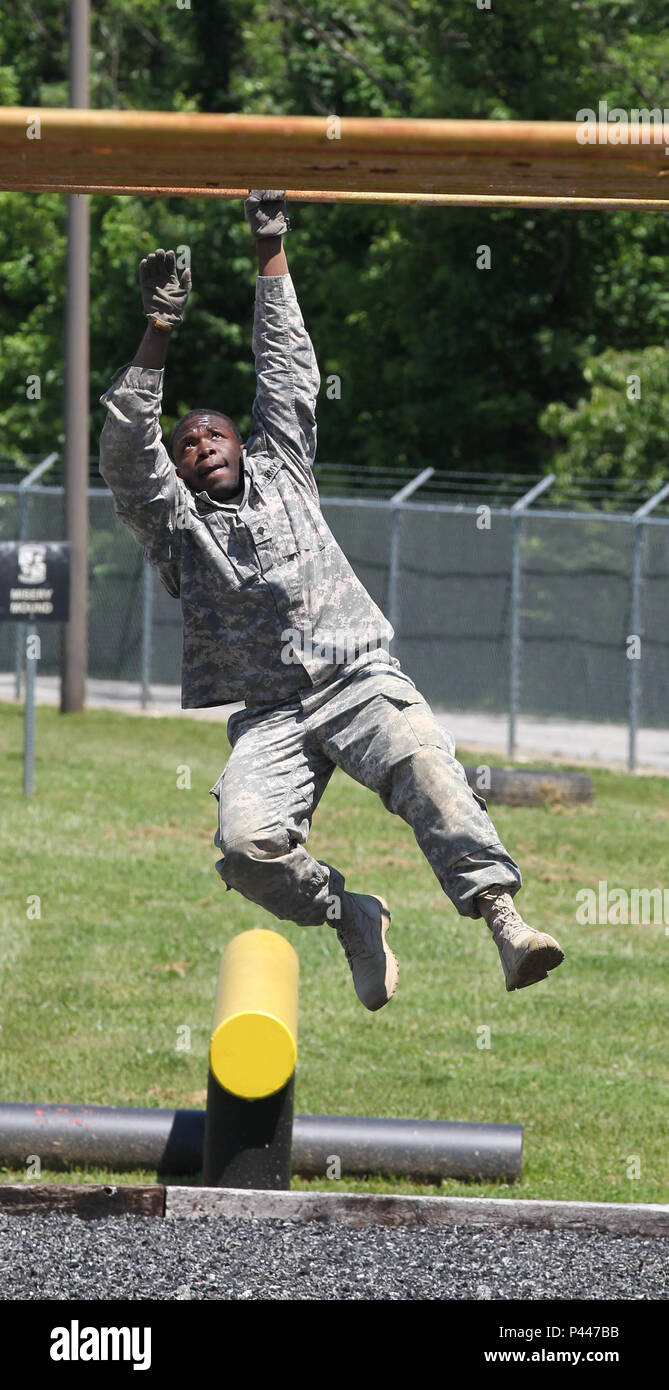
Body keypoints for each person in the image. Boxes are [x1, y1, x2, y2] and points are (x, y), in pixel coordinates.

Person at [99, 190, 564, 1012]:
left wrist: (269, 243)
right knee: (245, 846)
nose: (200, 444)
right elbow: (126, 447)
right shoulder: (174, 527)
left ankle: (503, 921)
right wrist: (158, 331)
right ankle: (349, 913)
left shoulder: (286, 467)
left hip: (356, 677)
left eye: (214, 433)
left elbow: (286, 366)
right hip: (271, 714)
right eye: (187, 443)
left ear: (245, 443)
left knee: (430, 771)